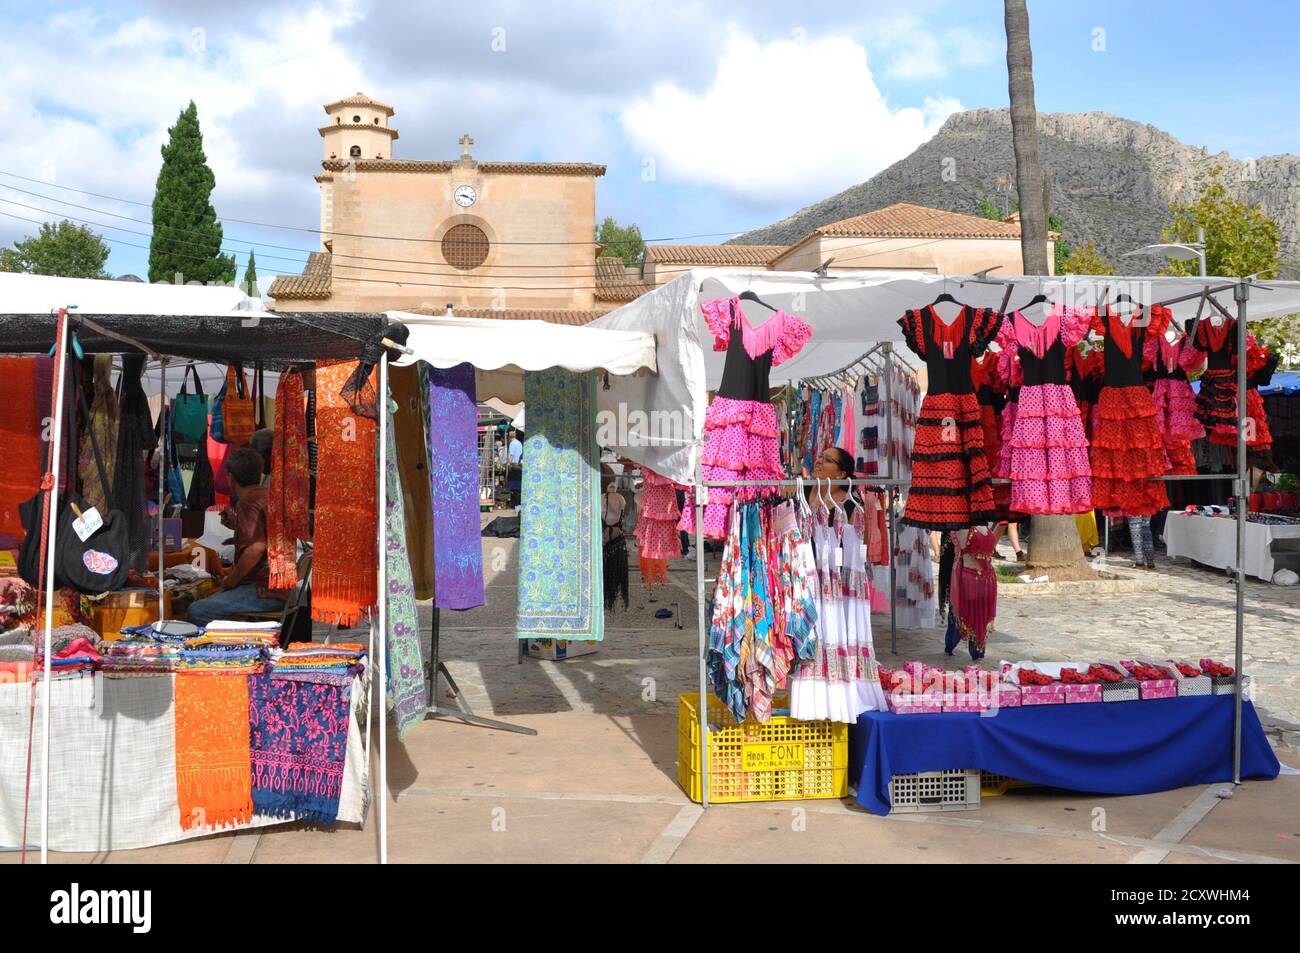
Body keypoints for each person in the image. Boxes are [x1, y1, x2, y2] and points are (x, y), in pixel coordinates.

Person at [186, 447, 286, 627]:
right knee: (210, 598)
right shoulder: (268, 496)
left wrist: (230, 580)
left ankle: (232, 648)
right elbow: (263, 533)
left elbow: (256, 547)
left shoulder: (248, 502)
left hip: (263, 590)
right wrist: (237, 523)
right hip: (279, 587)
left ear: (231, 477)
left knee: (197, 610)